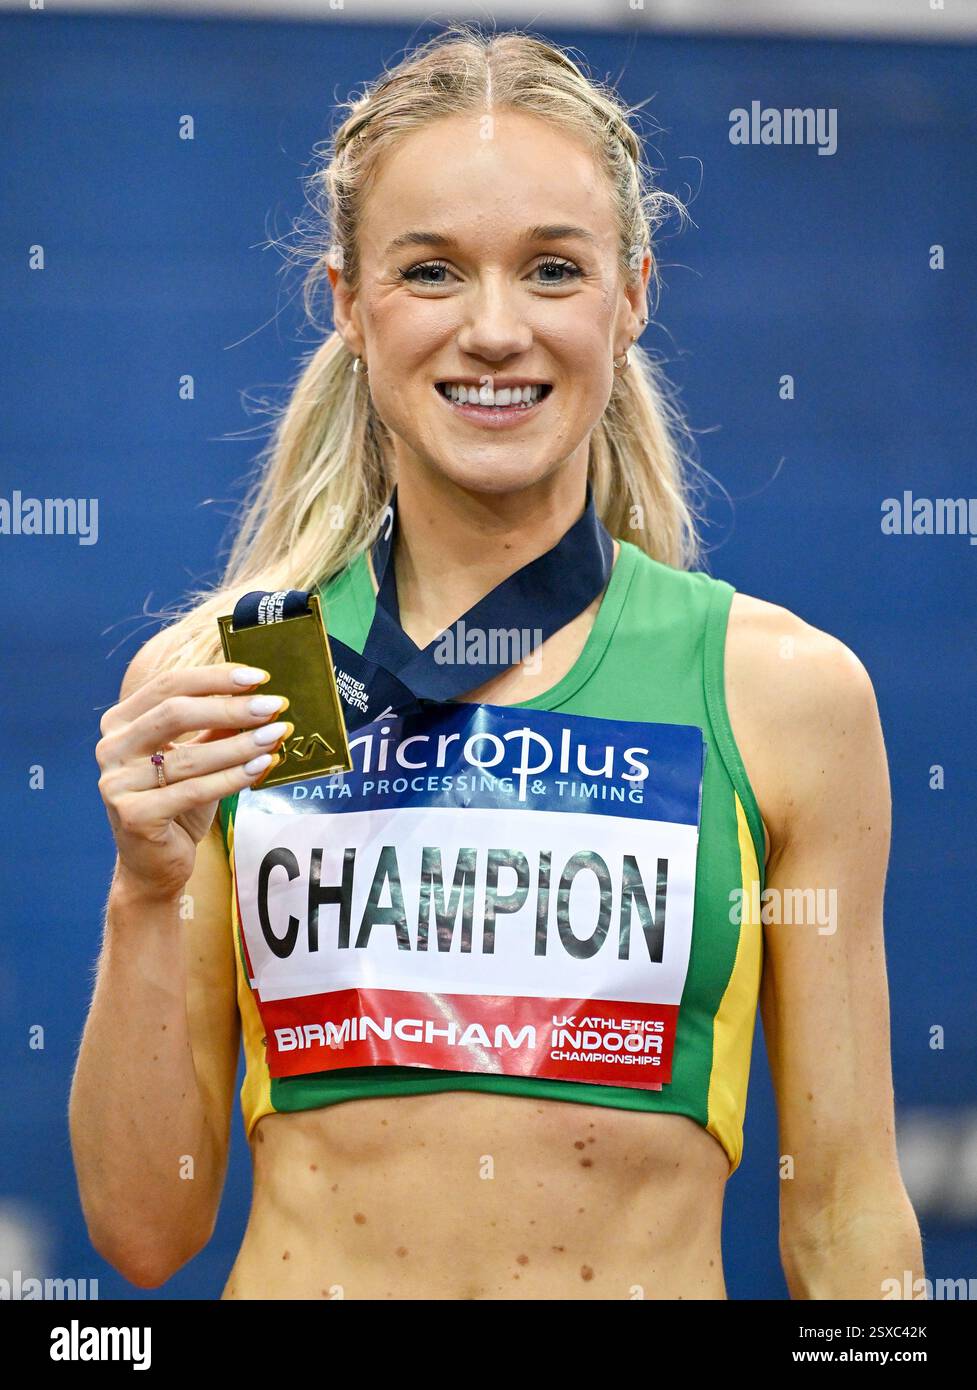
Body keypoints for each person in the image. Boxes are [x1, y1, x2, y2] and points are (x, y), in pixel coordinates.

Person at [71, 24, 923, 1300]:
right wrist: (146, 895)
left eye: (550, 270)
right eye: (428, 271)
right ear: (347, 304)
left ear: (629, 297)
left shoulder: (781, 694)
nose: (492, 329)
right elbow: (147, 1232)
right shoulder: (248, 676)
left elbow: (846, 1218)